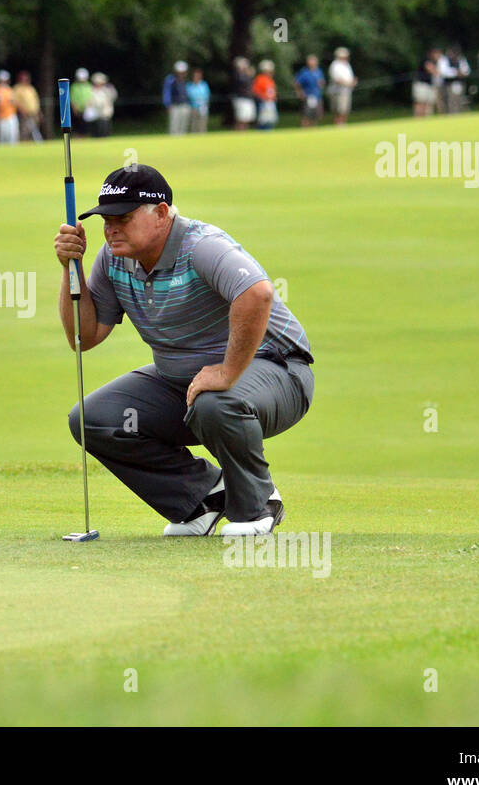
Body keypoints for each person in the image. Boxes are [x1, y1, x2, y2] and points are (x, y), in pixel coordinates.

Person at [53, 165, 313, 537]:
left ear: (161, 213)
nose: (111, 229)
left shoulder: (201, 246)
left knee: (214, 402)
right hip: (185, 383)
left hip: (279, 372)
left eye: (123, 218)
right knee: (93, 419)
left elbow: (258, 294)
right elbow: (84, 337)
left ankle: (258, 503)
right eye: (105, 219)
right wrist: (70, 269)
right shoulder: (114, 259)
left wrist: (226, 372)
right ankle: (203, 499)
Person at [327, 47, 357, 125]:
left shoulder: (347, 65)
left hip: (347, 90)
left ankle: (343, 123)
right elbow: (336, 79)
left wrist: (353, 82)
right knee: (339, 109)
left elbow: (350, 76)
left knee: (345, 109)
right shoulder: (335, 65)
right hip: (338, 91)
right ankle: (338, 123)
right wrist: (348, 83)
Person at [292, 55, 324, 127]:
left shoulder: (319, 72)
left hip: (317, 96)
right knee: (306, 115)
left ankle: (313, 131)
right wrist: (300, 93)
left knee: (316, 116)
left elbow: (321, 82)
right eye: (311, 61)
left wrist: (321, 84)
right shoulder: (304, 72)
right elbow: (297, 83)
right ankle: (304, 130)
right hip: (308, 97)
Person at [438, 47, 470, 113]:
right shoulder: (444, 60)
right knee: (451, 101)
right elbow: (444, 72)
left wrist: (461, 73)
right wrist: (456, 72)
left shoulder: (461, 59)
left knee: (460, 101)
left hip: (460, 84)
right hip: (449, 84)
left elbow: (467, 71)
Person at [13, 70, 42, 141]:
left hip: (34, 114)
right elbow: (15, 102)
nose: (26, 80)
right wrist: (22, 111)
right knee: (25, 132)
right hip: (24, 115)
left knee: (34, 131)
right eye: (24, 79)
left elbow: (36, 100)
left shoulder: (31, 88)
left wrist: (39, 112)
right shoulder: (17, 88)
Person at [86, 72, 117, 137]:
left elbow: (113, 97)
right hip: (96, 112)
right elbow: (90, 100)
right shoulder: (92, 90)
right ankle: (96, 135)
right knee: (96, 125)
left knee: (105, 123)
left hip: (106, 110)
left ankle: (106, 135)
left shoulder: (108, 89)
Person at [162, 60, 189, 135]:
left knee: (184, 125)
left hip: (185, 105)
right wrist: (167, 104)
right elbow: (166, 92)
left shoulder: (186, 80)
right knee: (174, 125)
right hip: (174, 106)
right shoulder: (170, 79)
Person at [0, 70, 19, 144]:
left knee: (13, 138)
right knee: (2, 139)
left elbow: (14, 102)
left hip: (11, 115)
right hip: (1, 117)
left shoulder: (9, 90)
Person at [231, 57, 255, 131]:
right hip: (241, 99)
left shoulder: (245, 75)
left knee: (247, 118)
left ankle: (245, 132)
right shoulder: (237, 75)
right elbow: (241, 83)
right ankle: (239, 131)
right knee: (241, 118)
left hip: (248, 98)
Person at [252, 60, 277, 129]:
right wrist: (263, 98)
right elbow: (255, 91)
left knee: (271, 120)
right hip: (264, 103)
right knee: (263, 121)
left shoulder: (270, 79)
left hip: (271, 102)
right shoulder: (260, 79)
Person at [186, 68, 210, 133]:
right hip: (193, 107)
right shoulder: (189, 85)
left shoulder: (204, 85)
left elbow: (207, 95)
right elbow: (188, 95)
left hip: (203, 107)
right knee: (194, 123)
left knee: (203, 123)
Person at [70, 67, 93, 135]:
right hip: (77, 110)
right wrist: (74, 108)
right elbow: (72, 98)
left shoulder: (89, 86)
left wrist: (89, 106)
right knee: (77, 127)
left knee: (86, 127)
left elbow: (91, 97)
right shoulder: (74, 86)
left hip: (87, 110)